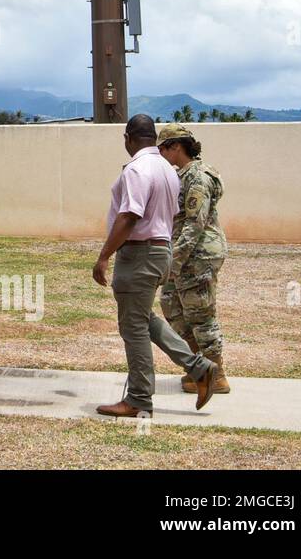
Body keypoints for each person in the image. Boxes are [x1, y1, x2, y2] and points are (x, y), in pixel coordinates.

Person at [93, 115, 218, 417]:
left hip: (139, 253)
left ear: (128, 139)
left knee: (132, 328)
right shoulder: (167, 168)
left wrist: (104, 256)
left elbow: (129, 216)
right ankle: (200, 368)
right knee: (142, 319)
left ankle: (138, 399)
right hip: (161, 251)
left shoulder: (137, 169)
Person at [157, 122, 230, 395]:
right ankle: (200, 367)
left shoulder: (197, 177)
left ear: (176, 147)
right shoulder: (182, 175)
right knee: (171, 306)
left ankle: (217, 374)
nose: (160, 155)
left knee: (201, 315)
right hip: (184, 255)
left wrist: (172, 262)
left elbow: (194, 225)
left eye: (163, 149)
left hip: (198, 256)